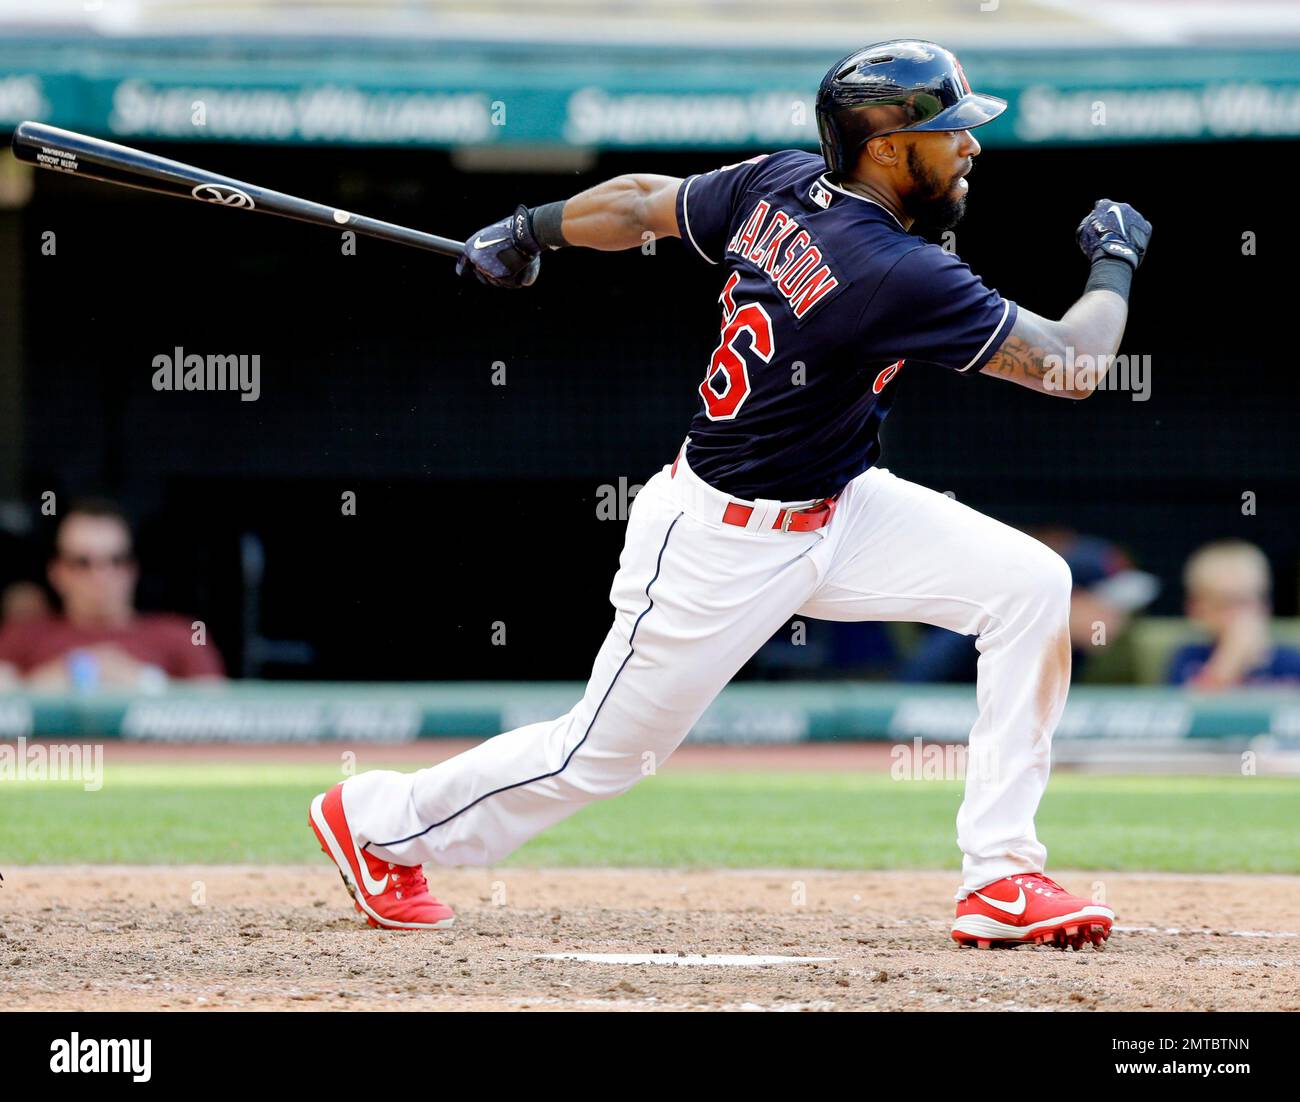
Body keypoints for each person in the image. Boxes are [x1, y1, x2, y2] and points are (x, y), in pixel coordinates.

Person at [308, 40, 1151, 949]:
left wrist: (529, 228)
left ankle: (1002, 875)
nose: (970, 148)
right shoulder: (887, 271)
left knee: (1029, 586)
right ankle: (379, 822)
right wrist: (1115, 260)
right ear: (884, 148)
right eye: (949, 132)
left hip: (841, 501)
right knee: (601, 756)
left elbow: (638, 204)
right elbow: (1073, 366)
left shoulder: (781, 184)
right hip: (722, 541)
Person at [0, 498, 226, 690]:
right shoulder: (22, 636)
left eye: (116, 560)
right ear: (57, 573)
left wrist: (148, 682)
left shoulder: (180, 636)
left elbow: (221, 714)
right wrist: (52, 680)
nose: (101, 575)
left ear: (132, 568)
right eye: (83, 563)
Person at [898, 529, 1158, 682]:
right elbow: (910, 697)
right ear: (1070, 599)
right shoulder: (980, 633)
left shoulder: (1075, 648)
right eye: (1107, 606)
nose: (1117, 620)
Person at [1168, 540, 1300, 689]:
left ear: (1265, 606)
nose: (1237, 616)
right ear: (1196, 609)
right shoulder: (1188, 658)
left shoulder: (1291, 660)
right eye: (1224, 604)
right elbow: (1186, 708)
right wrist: (1229, 661)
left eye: (1245, 601)